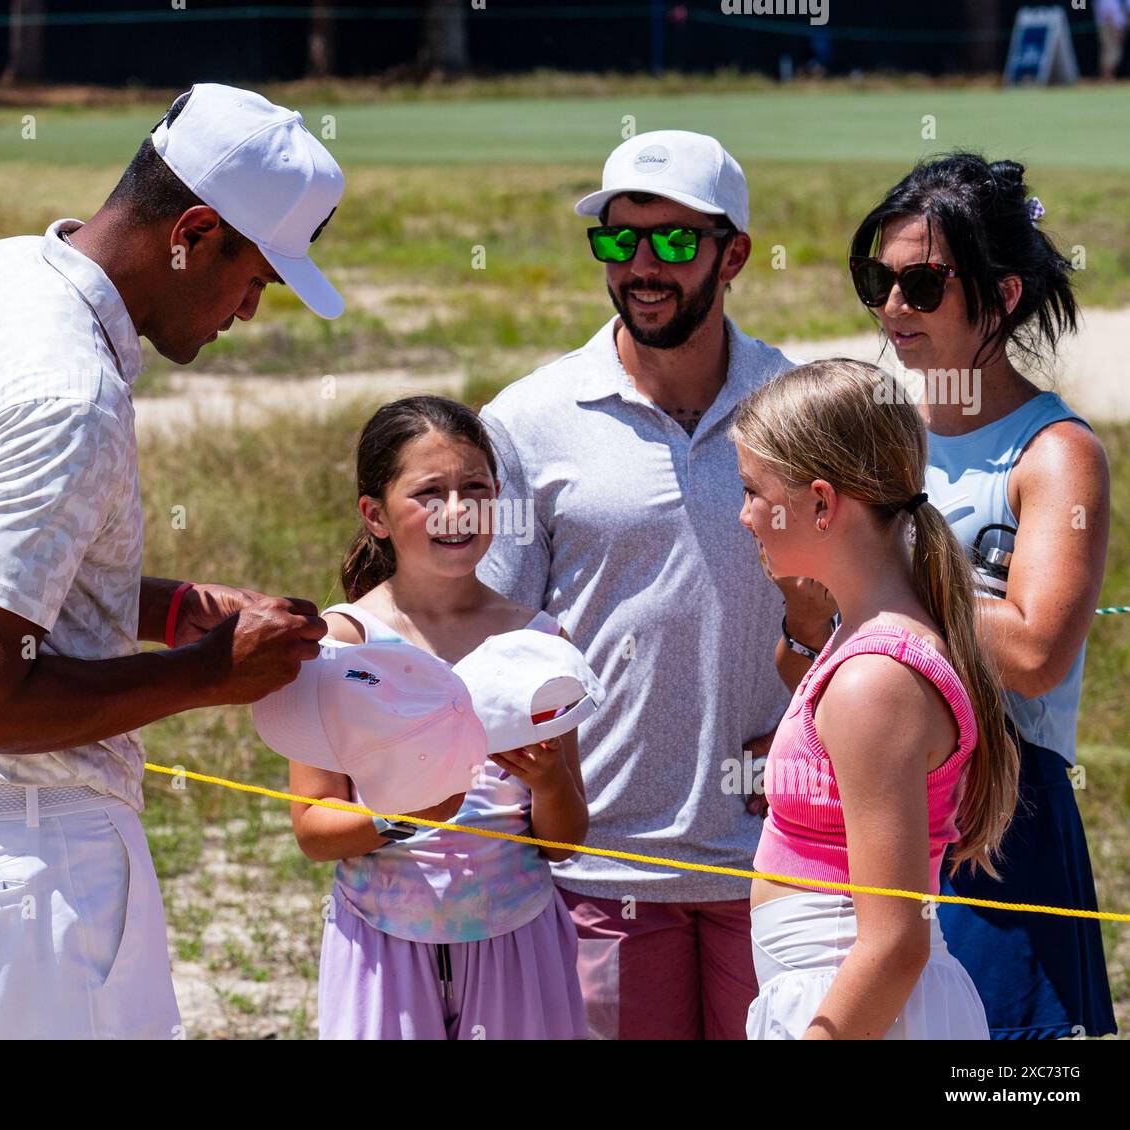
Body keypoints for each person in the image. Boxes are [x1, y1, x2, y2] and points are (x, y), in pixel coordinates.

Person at [0, 84, 339, 1039]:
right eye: (258, 278)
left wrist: (162, 609)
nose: (249, 309)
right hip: (26, 879)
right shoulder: (68, 392)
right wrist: (207, 676)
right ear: (194, 230)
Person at [786, 153, 1116, 1039]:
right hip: (872, 804)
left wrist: (889, 567)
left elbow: (1038, 654)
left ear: (1002, 297)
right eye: (877, 280)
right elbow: (820, 642)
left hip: (1004, 822)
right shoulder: (876, 438)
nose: (893, 308)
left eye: (923, 285)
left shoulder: (1054, 452)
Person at [477, 131, 797, 1040]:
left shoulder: (799, 401)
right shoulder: (528, 420)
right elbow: (495, 636)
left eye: (673, 241)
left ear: (733, 253)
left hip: (774, 862)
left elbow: (853, 610)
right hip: (598, 868)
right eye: (619, 241)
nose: (642, 266)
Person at [732, 358, 1018, 1040]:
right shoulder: (860, 641)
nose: (743, 516)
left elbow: (894, 942)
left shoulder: (875, 682)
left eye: (752, 491)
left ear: (823, 503)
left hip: (863, 1014)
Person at [289, 395, 589, 1040]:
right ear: (375, 514)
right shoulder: (337, 648)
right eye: (428, 492)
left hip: (517, 937)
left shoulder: (538, 642)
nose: (456, 511)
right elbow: (313, 828)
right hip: (382, 939)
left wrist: (548, 784)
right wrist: (407, 816)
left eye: (474, 488)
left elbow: (563, 841)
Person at [1096, 0, 1127, 81]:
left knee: (1112, 51)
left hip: (1111, 27)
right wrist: (1116, 30)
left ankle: (1108, 76)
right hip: (1110, 28)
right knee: (1111, 51)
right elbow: (1108, 15)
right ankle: (1107, 76)